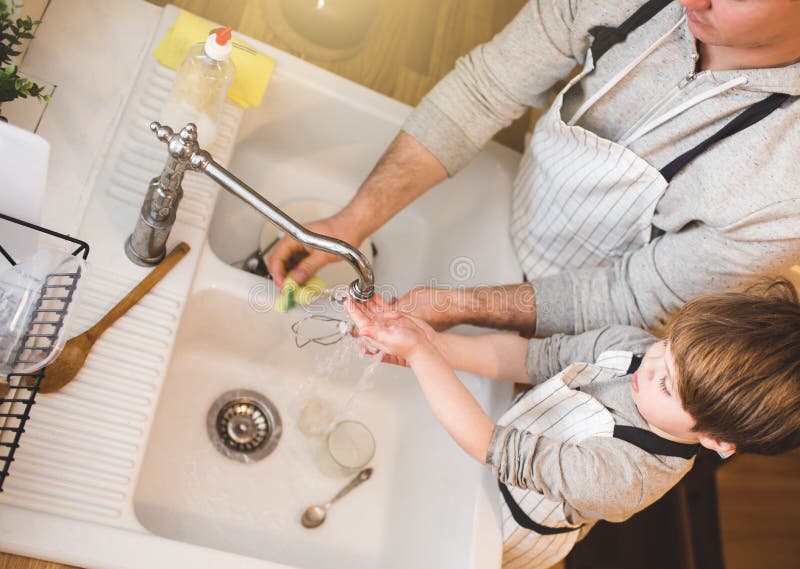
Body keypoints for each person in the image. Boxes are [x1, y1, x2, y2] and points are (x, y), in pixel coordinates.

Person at [269, 0, 800, 336]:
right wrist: (349, 224)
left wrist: (463, 306)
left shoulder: (786, 184)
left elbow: (633, 298)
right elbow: (484, 89)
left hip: (581, 330)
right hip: (513, 204)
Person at [344, 280, 800, 569]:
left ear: (716, 440)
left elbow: (492, 446)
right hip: (486, 448)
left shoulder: (628, 476)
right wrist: (436, 345)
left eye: (668, 386)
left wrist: (421, 356)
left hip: (509, 523)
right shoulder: (632, 347)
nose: (653, 363)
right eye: (671, 345)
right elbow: (531, 358)